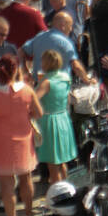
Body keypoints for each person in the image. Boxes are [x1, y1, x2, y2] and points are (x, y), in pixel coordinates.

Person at [0, 55, 42, 216]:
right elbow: (38, 113)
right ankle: (29, 214)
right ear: (17, 70)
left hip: (1, 140)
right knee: (26, 178)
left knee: (7, 184)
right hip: (23, 138)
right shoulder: (28, 91)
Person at [34, 48, 76, 183]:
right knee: (62, 160)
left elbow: (33, 99)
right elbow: (68, 100)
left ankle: (57, 192)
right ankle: (67, 187)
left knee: (52, 163)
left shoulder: (46, 82)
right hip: (63, 118)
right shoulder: (65, 78)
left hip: (50, 121)